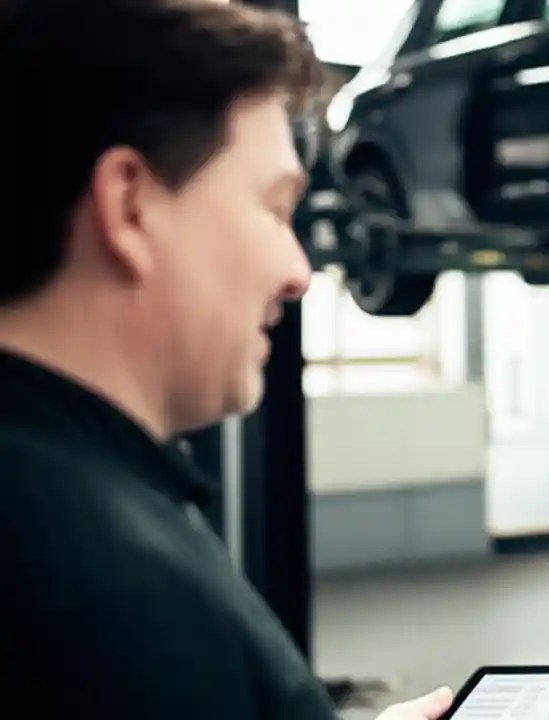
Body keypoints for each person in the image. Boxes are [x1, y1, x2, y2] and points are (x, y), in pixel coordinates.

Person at [0, 1, 452, 717]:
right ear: (130, 207)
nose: (298, 270)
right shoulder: (116, 594)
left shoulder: (78, 496)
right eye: (274, 210)